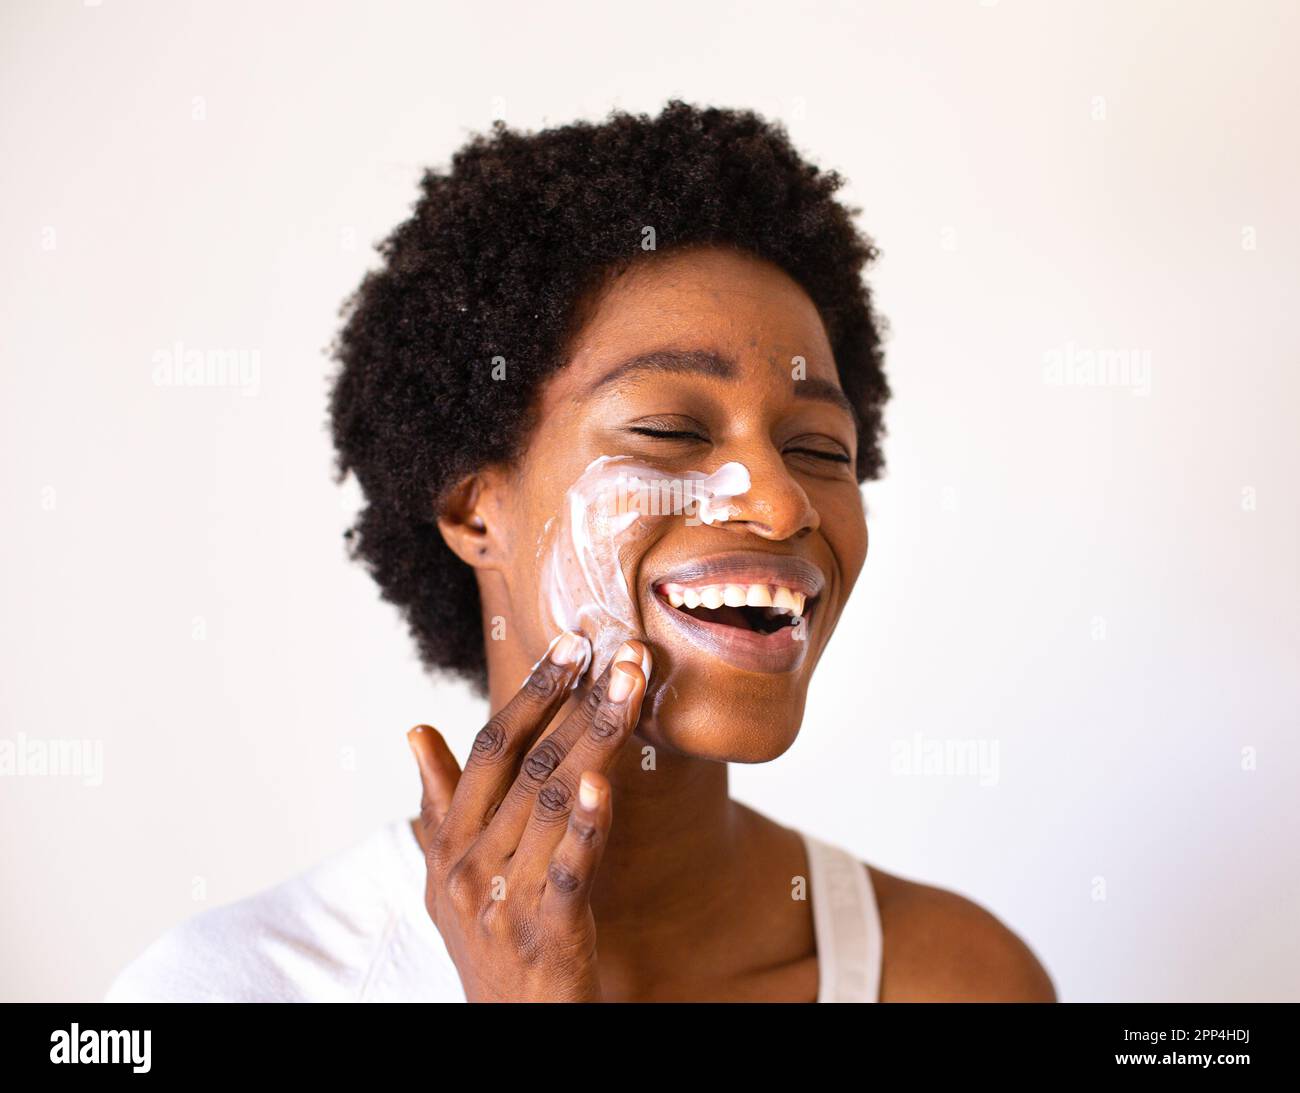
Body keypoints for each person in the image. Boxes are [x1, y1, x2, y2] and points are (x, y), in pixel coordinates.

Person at [106, 101, 1055, 1003]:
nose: (779, 502)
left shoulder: (956, 975)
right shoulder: (234, 984)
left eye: (819, 449)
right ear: (477, 511)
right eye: (672, 429)